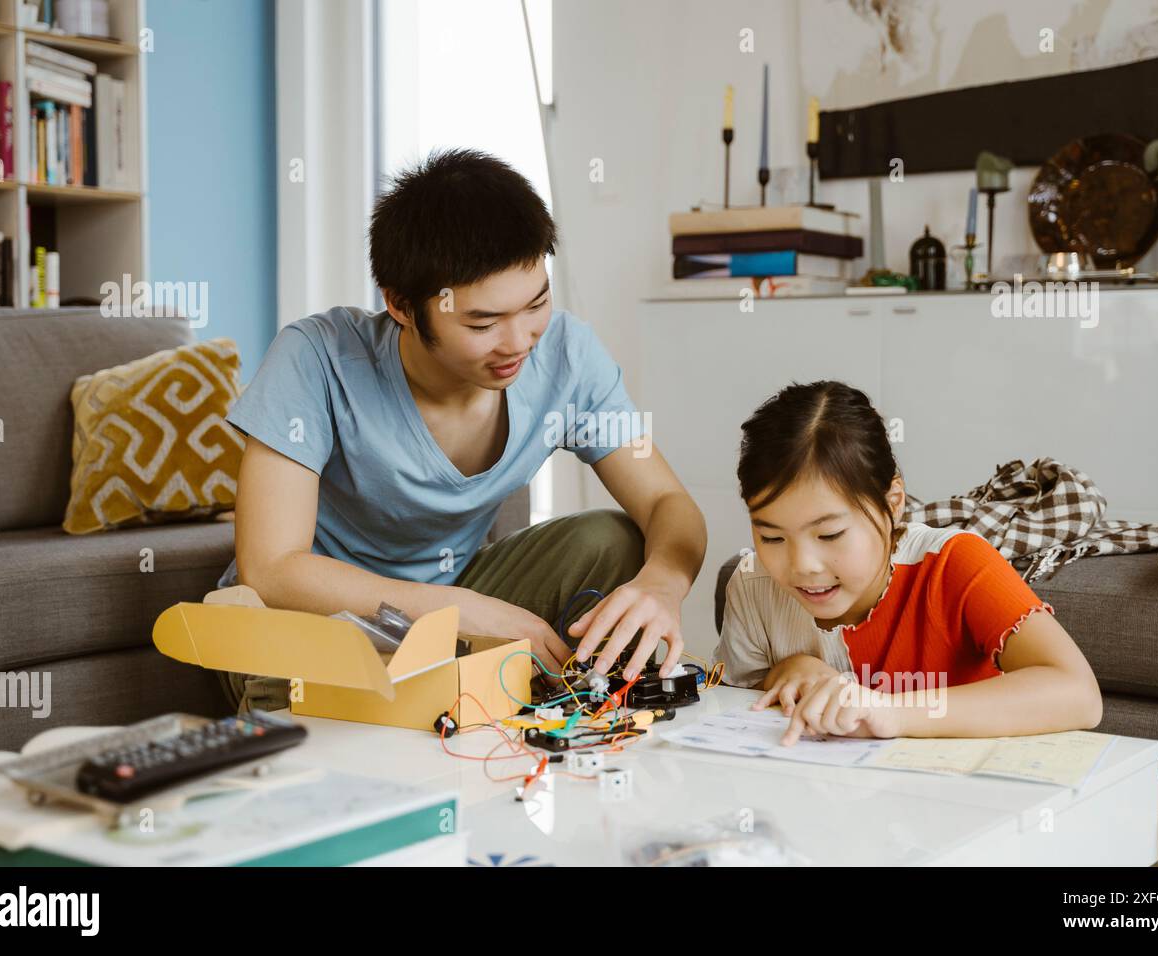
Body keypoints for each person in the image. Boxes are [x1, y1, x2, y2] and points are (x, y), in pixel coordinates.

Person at [218, 148, 706, 712]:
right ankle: (436, 688)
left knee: (614, 538)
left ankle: (461, 686)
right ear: (401, 305)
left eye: (536, 304)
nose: (519, 341)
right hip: (318, 618)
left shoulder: (567, 356)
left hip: (457, 604)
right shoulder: (316, 357)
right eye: (483, 322)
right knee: (298, 682)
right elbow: (272, 568)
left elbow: (669, 501)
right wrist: (451, 611)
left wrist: (662, 585)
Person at [714, 381, 1102, 744]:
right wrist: (782, 677)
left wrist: (890, 712)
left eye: (830, 534)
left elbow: (1079, 694)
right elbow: (733, 718)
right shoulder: (752, 585)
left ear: (893, 503)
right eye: (772, 537)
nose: (802, 565)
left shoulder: (953, 563)